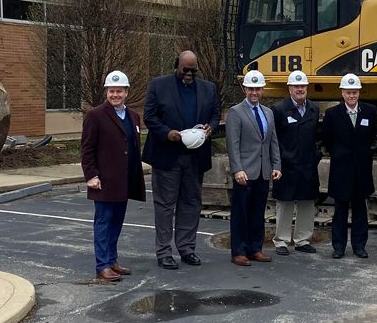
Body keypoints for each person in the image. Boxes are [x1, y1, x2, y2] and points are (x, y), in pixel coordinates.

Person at [143, 50, 220, 270]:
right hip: (167, 155)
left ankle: (187, 249)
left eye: (193, 71)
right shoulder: (159, 85)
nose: (189, 74)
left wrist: (210, 128)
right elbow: (150, 117)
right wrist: (168, 134)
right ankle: (164, 252)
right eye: (185, 70)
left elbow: (215, 115)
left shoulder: (208, 88)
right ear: (177, 65)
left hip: (195, 157)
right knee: (165, 205)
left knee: (191, 204)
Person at [80, 70, 145, 282]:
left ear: (126, 92)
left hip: (124, 182)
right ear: (106, 92)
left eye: (119, 91)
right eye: (111, 91)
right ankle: (103, 265)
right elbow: (87, 149)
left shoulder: (133, 117)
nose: (114, 95)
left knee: (116, 223)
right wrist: (91, 175)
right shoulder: (95, 115)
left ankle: (113, 260)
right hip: (104, 182)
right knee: (103, 223)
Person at [225, 70, 282, 266]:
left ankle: (255, 249)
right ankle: (239, 251)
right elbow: (233, 143)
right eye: (251, 89)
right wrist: (237, 169)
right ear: (245, 89)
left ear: (262, 90)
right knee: (240, 213)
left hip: (263, 171)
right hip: (245, 172)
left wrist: (276, 165)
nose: (254, 92)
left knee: (258, 213)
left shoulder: (268, 113)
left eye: (258, 89)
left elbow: (272, 141)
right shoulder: (235, 112)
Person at [321, 73, 377, 259]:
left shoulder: (369, 111)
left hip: (361, 169)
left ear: (359, 93)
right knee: (340, 210)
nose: (352, 96)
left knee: (360, 209)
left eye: (354, 92)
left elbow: (373, 136)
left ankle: (359, 246)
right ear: (342, 93)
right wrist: (339, 154)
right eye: (348, 92)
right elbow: (327, 139)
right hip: (341, 170)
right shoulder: (332, 114)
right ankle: (338, 247)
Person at [272, 70, 321, 255]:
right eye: (296, 86)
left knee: (307, 202)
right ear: (289, 88)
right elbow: (274, 138)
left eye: (302, 86)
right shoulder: (279, 110)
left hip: (308, 164)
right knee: (285, 203)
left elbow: (317, 136)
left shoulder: (314, 109)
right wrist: (278, 161)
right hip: (287, 165)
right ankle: (282, 241)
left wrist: (316, 156)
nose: (300, 89)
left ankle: (302, 240)